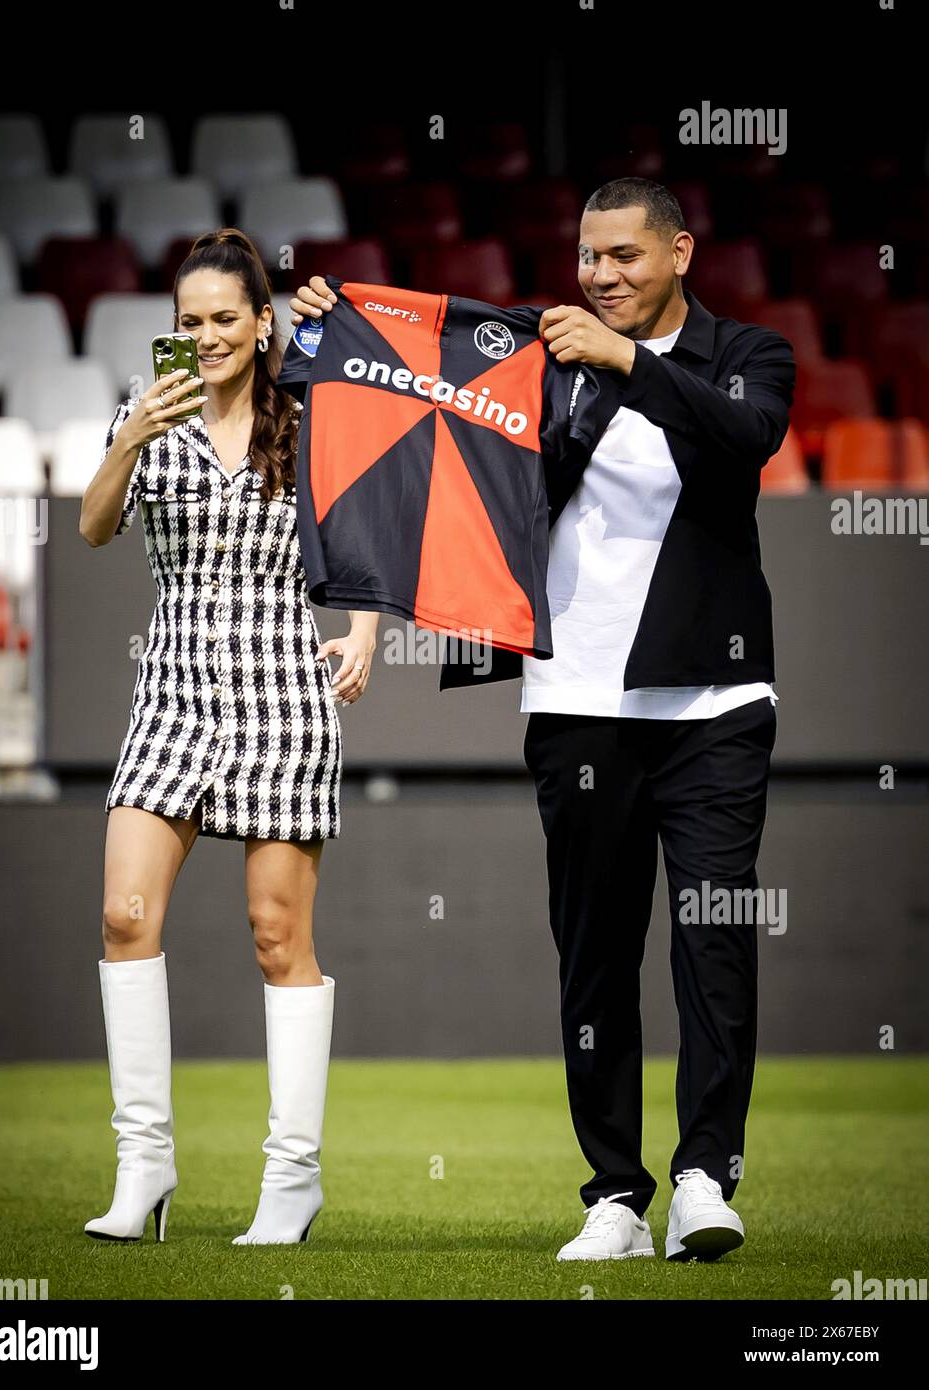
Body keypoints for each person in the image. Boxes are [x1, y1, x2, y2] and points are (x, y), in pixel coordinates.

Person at [290, 177, 794, 1263]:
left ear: (679, 251)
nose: (600, 276)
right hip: (574, 708)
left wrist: (627, 364)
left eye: (622, 256)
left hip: (713, 700)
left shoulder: (748, 351)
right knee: (594, 956)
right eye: (585, 257)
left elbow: (746, 437)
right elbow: (419, 408)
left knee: (712, 945)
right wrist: (336, 333)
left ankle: (706, 1176)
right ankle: (614, 1194)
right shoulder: (541, 363)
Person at [79, 228, 378, 1245]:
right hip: (171, 690)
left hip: (283, 687)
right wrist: (127, 439)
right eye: (188, 320)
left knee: (276, 934)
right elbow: (90, 527)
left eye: (221, 319)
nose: (202, 336)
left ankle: (292, 1178)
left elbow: (360, 531)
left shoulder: (308, 418)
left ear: (262, 325)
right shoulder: (145, 414)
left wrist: (367, 629)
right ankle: (144, 1166)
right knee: (125, 914)